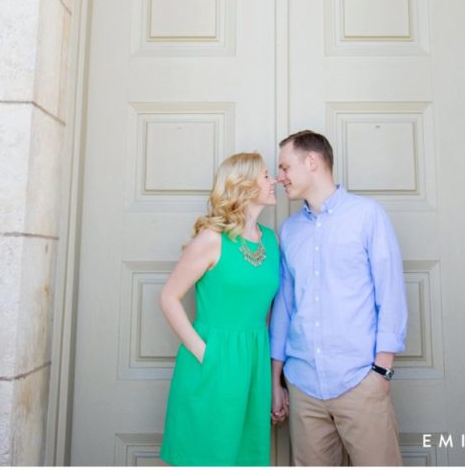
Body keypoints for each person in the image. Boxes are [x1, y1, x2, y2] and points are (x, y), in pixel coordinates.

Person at [270, 130, 408, 467]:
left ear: (312, 162)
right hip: (304, 388)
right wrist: (276, 380)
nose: (279, 177)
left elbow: (390, 294)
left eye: (286, 167)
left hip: (360, 382)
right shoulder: (289, 231)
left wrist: (381, 372)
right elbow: (285, 307)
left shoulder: (367, 216)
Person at [160, 151, 280, 466]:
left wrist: (270, 373)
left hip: (254, 360)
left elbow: (266, 307)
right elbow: (169, 297)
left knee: (244, 455)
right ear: (244, 185)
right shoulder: (212, 239)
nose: (275, 180)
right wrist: (206, 353)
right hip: (213, 359)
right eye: (266, 175)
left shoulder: (270, 240)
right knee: (206, 452)